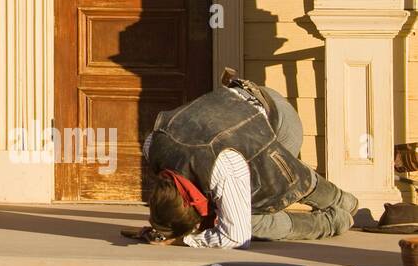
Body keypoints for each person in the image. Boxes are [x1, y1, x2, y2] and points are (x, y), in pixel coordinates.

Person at [137, 71, 358, 248]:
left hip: (280, 123)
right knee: (270, 175)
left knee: (254, 217)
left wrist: (185, 239)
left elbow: (236, 237)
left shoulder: (221, 164)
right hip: (253, 99)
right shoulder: (154, 146)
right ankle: (344, 203)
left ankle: (332, 221)